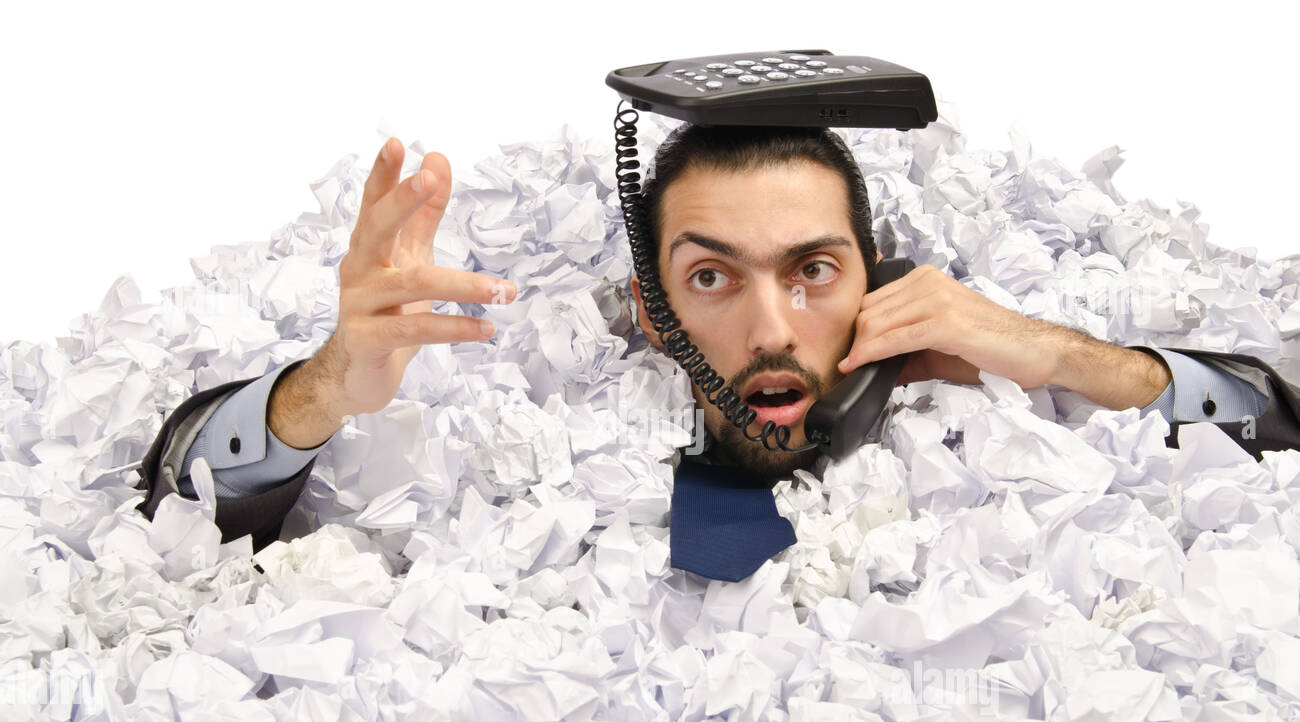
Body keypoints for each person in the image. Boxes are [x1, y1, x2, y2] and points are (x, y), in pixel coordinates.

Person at [135, 126, 1300, 556]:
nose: (770, 329)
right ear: (650, 309)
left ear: (873, 278)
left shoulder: (973, 386)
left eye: (813, 271)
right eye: (710, 279)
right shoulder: (534, 416)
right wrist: (330, 387)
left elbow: (1272, 416)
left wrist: (1057, 355)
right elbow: (174, 491)